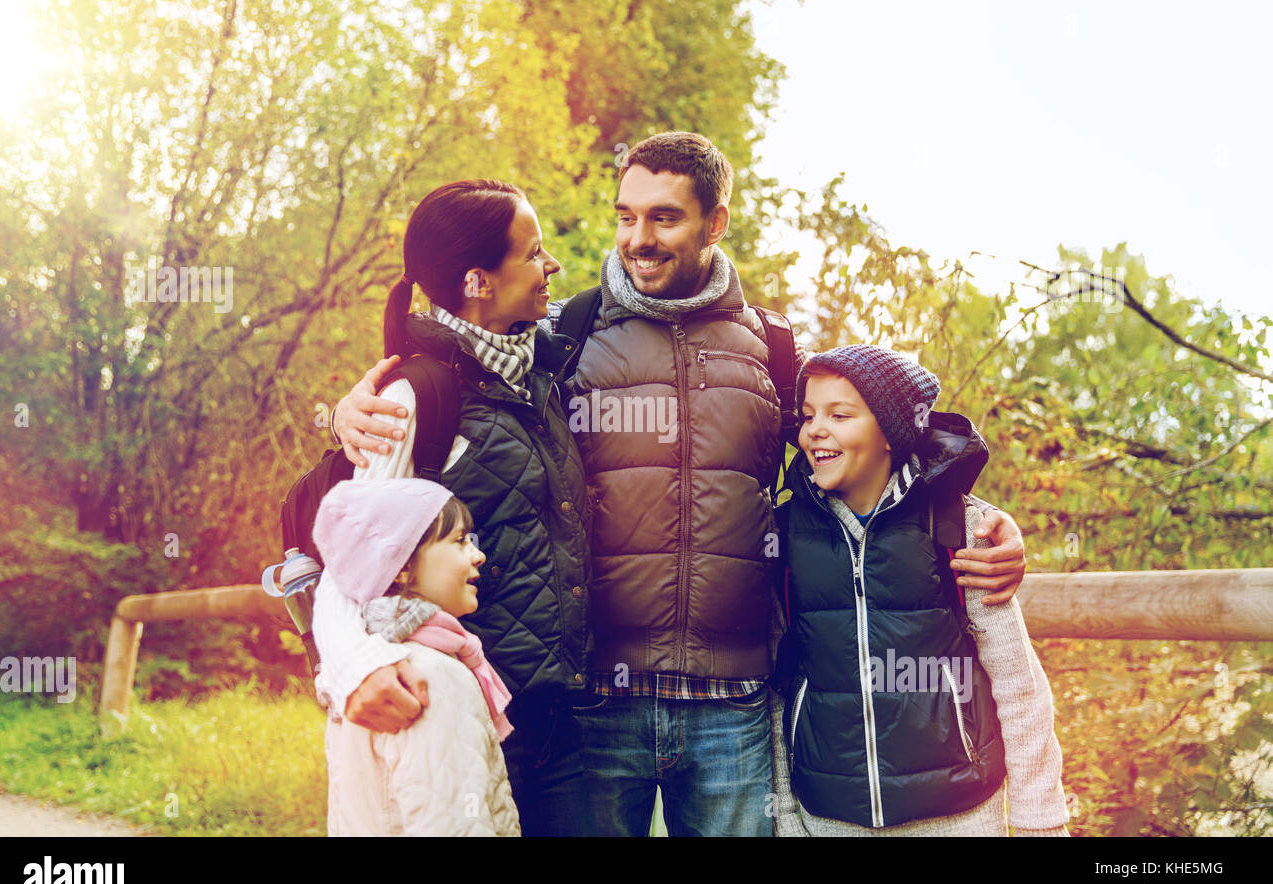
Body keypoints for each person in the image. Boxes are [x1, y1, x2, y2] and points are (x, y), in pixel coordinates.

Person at [334, 134, 1030, 837]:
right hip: (596, 705)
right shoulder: (559, 337)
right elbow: (375, 484)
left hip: (734, 709)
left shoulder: (773, 347)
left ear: (715, 222)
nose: (639, 238)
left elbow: (868, 448)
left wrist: (976, 516)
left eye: (664, 218)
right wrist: (345, 418)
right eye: (625, 217)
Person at [317, 179, 595, 836]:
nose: (550, 266)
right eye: (533, 253)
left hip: (561, 719)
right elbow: (346, 575)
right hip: (475, 718)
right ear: (478, 282)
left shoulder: (539, 369)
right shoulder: (418, 397)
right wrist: (357, 669)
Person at [769, 346, 1069, 836]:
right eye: (807, 416)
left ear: (890, 432)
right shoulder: (785, 537)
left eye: (839, 414)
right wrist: (785, 817)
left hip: (960, 816)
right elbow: (779, 693)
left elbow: (1018, 684)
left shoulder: (959, 528)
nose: (814, 429)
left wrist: (1041, 820)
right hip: (828, 818)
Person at [313, 478, 519, 836]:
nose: (477, 554)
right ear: (402, 565)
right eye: (459, 541)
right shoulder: (430, 677)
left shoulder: (363, 673)